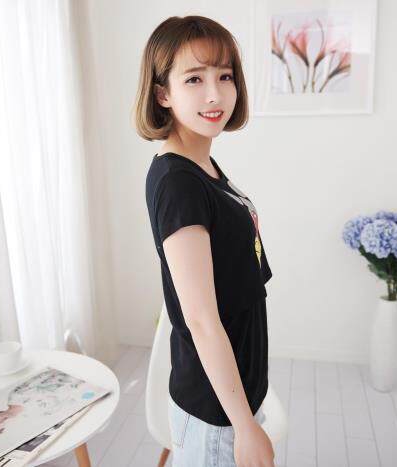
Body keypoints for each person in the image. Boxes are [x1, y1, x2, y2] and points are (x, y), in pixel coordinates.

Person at [135, 15, 275, 467]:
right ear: (163, 93)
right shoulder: (179, 183)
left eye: (225, 76)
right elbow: (200, 319)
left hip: (233, 396)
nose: (215, 94)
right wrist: (244, 426)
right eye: (194, 79)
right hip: (219, 416)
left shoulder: (202, 166)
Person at [0, 368, 86, 436]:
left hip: (75, 374)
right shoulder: (30, 419)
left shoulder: (16, 396)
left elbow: (45, 375)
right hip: (84, 392)